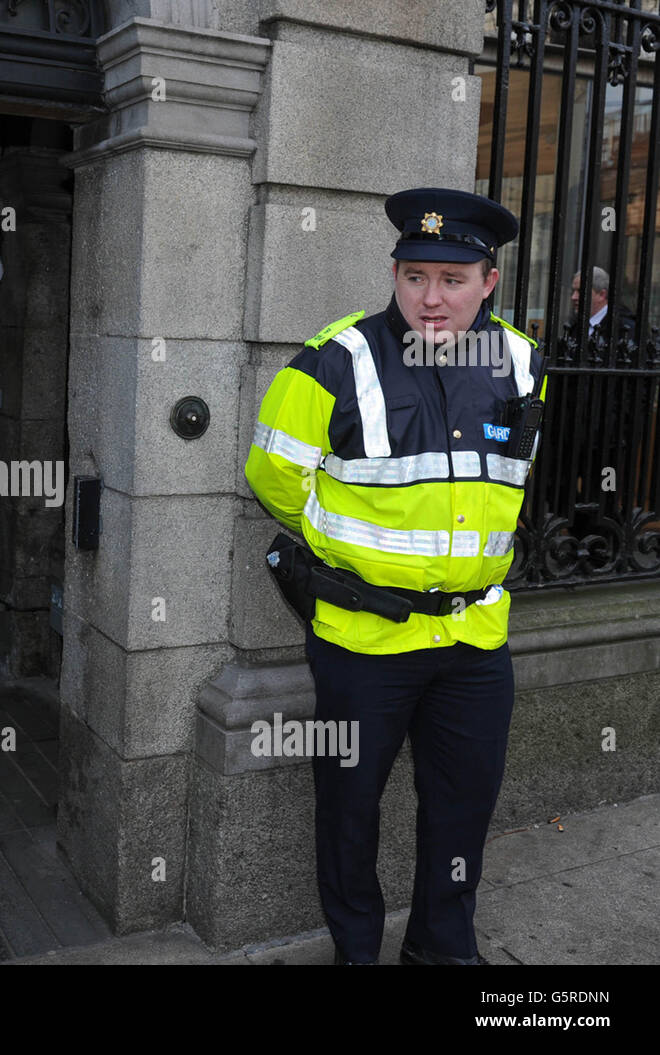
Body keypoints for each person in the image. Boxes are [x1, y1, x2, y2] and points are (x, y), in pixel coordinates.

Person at [245, 188, 546, 965]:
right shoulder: (332, 358)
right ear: (395, 273)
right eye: (415, 276)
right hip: (362, 637)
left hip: (474, 637)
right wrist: (348, 550)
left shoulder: (521, 362)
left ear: (490, 280)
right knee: (350, 808)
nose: (431, 298)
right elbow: (274, 476)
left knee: (462, 808)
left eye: (452, 279)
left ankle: (442, 948)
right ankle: (356, 950)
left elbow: (511, 479)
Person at [568, 266, 636, 349]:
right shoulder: (574, 325)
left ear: (601, 295)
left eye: (581, 291)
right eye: (573, 291)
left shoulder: (625, 328)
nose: (573, 297)